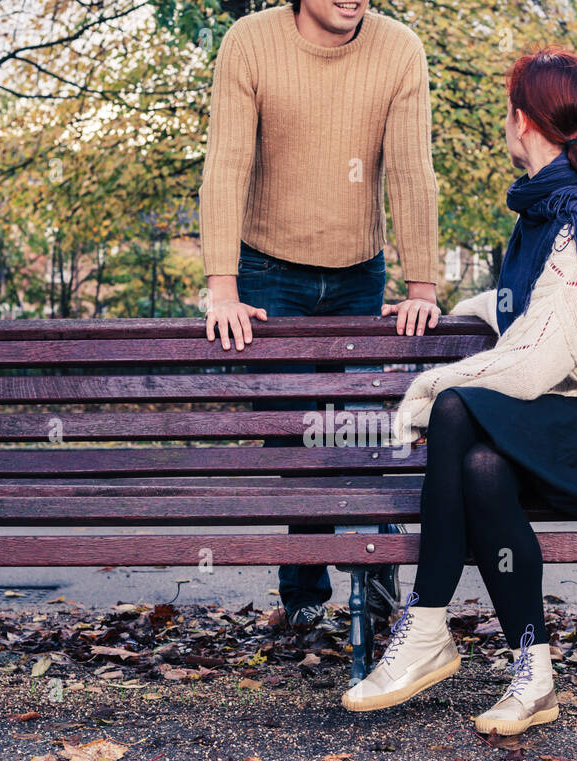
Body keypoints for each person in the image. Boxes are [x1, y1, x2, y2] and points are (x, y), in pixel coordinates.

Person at [341, 47, 577, 736]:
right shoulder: (545, 211)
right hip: (564, 424)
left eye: (507, 109)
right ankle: (534, 677)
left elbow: (532, 364)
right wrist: (448, 313)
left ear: (522, 121)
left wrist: (422, 390)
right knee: (480, 466)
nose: (506, 120)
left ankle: (426, 624)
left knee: (455, 404)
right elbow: (528, 311)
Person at [199, 0, 441, 631]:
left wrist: (422, 285)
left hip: (360, 273)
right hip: (267, 273)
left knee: (360, 434)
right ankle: (305, 593)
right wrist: (221, 288)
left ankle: (379, 581)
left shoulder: (399, 49)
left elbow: (412, 172)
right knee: (295, 440)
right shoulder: (249, 42)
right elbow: (226, 165)